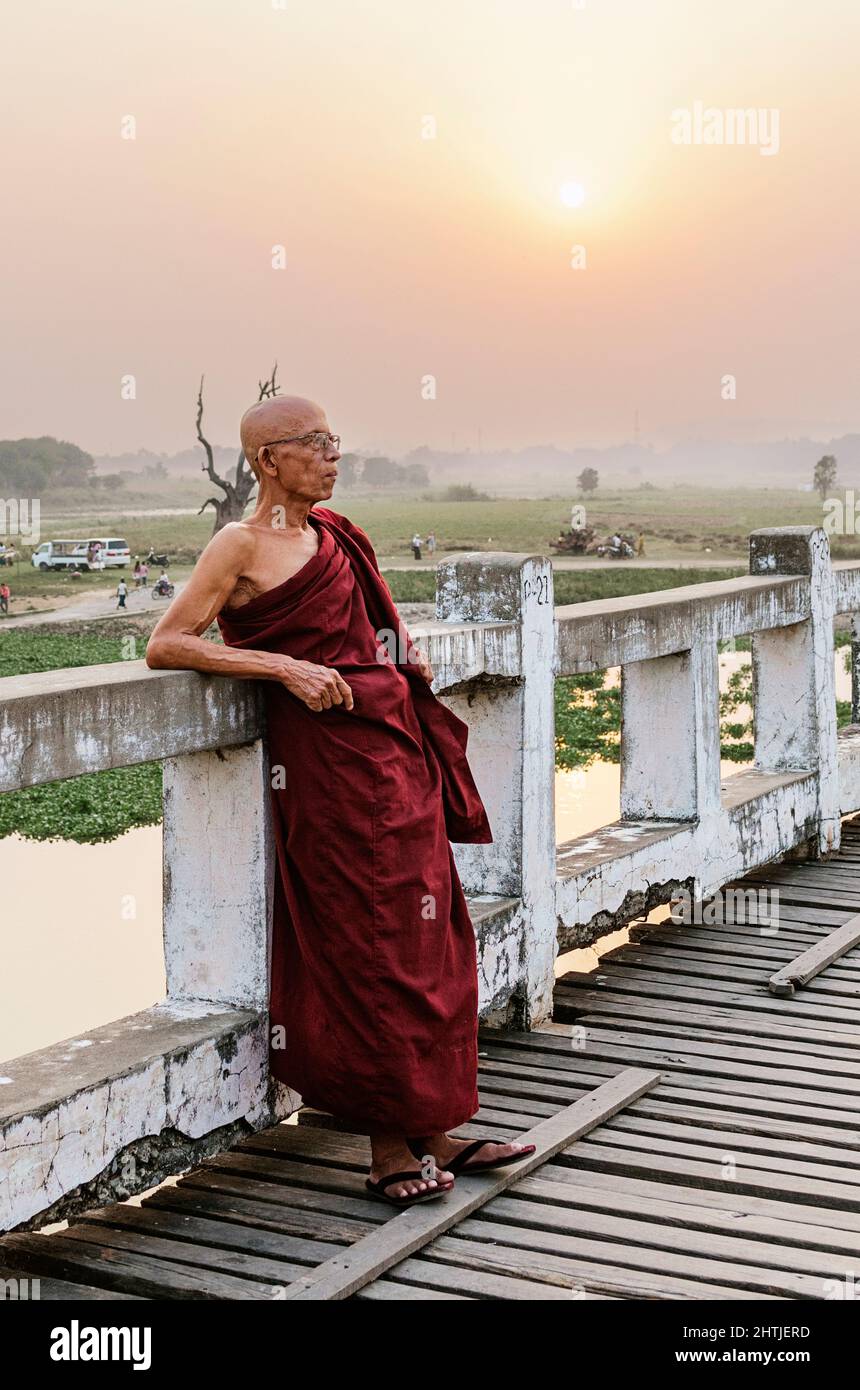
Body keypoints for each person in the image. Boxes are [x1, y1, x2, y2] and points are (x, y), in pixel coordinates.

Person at [145, 394, 534, 1206]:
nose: (333, 455)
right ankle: (387, 1147)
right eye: (314, 443)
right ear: (267, 460)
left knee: (432, 940)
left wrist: (401, 683)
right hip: (326, 774)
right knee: (365, 944)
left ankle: (438, 1127)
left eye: (333, 440)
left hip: (395, 755)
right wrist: (282, 668)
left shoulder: (335, 537)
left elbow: (380, 639)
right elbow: (168, 642)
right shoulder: (239, 543)